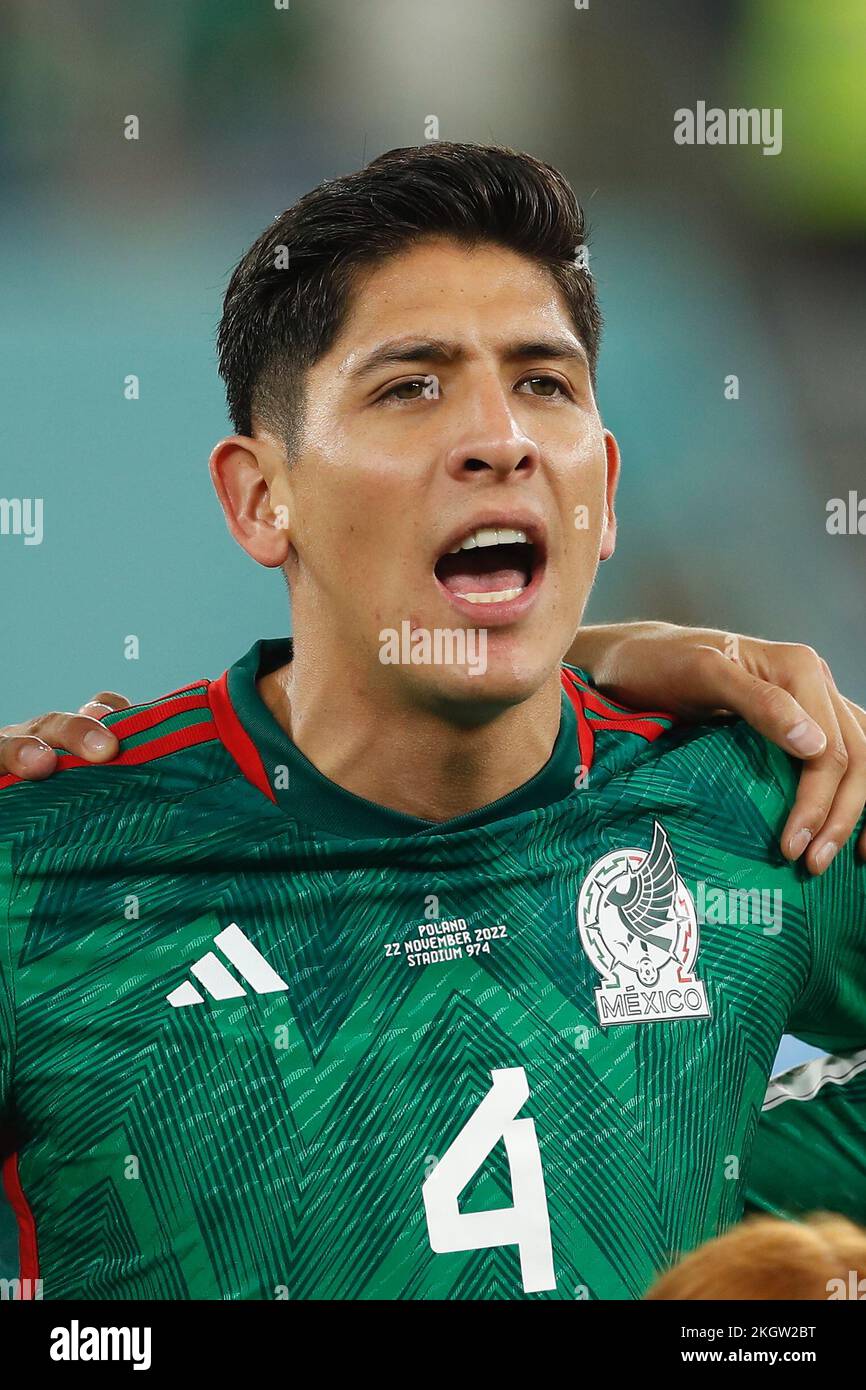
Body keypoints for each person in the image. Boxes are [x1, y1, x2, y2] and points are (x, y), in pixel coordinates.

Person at [1, 142, 864, 1301]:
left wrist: (693, 1203)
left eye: (543, 383)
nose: (498, 436)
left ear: (600, 492)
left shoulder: (757, 807)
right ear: (264, 498)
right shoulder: (49, 872)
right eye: (411, 384)